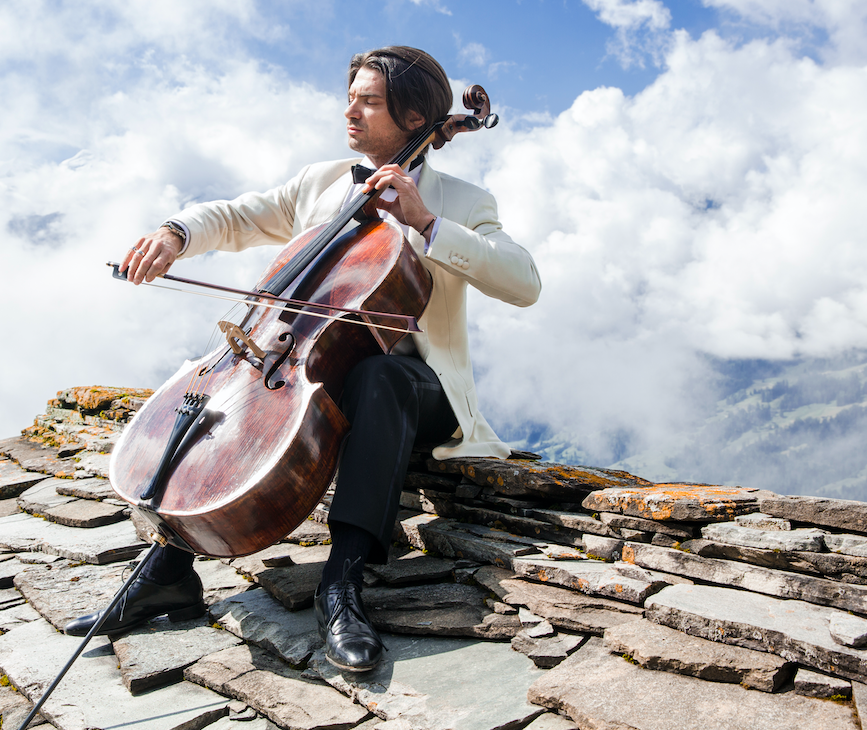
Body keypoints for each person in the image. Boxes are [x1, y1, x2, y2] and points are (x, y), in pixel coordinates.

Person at [65, 46, 541, 672]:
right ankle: (167, 570)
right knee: (231, 404)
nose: (350, 111)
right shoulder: (321, 182)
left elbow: (523, 282)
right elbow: (237, 214)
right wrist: (175, 233)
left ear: (415, 115)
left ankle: (341, 585)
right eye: (352, 96)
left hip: (420, 393)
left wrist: (425, 223)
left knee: (380, 373)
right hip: (307, 372)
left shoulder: (465, 201)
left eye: (369, 102)